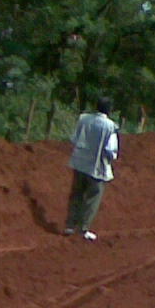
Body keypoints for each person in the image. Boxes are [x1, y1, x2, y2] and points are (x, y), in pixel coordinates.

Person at [65, 96, 120, 241]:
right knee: (93, 198)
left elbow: (74, 139)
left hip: (79, 163)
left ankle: (70, 226)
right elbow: (110, 150)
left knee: (76, 194)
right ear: (110, 110)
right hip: (97, 167)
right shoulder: (110, 126)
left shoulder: (83, 119)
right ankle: (83, 229)